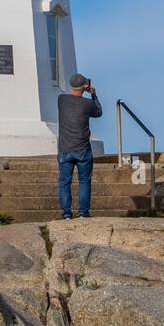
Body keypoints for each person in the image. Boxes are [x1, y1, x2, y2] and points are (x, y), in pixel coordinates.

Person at [56, 73, 101, 219]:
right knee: (84, 181)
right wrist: (93, 95)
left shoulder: (61, 100)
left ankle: (67, 214)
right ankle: (83, 212)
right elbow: (98, 112)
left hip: (65, 149)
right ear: (84, 87)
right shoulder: (87, 104)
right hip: (82, 150)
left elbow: (70, 98)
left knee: (64, 182)